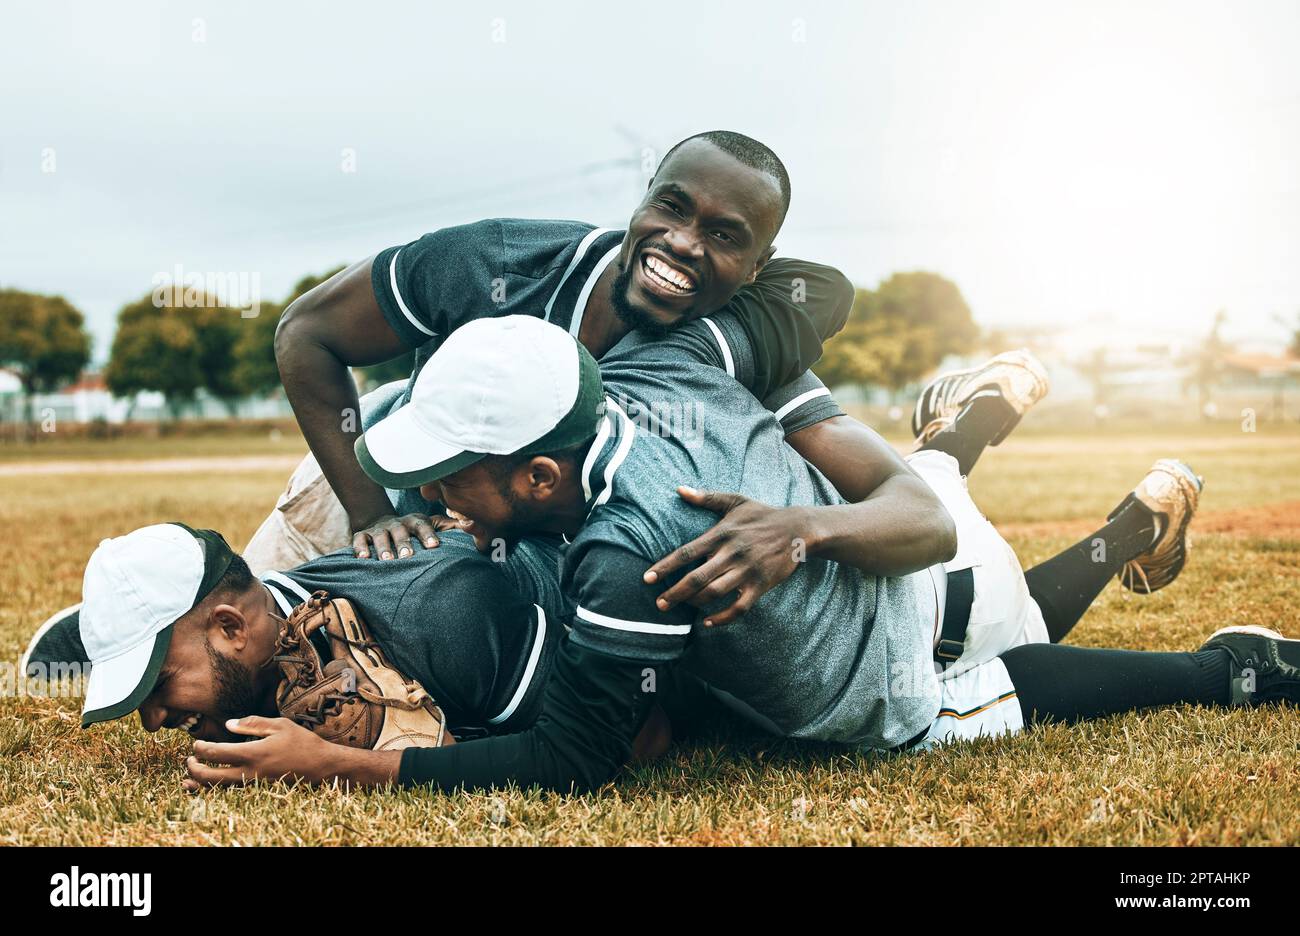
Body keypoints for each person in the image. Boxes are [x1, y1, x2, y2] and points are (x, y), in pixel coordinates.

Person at [174, 314, 1295, 795]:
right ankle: (992, 443)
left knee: (989, 682)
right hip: (899, 530)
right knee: (934, 487)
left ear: (537, 477)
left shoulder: (621, 560)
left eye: (451, 470)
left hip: (920, 633)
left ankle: (1225, 664)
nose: (426, 492)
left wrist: (342, 765)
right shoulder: (666, 377)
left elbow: (573, 761)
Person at [252, 130, 957, 628]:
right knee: (246, 639)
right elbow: (305, 333)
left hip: (487, 555)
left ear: (758, 268)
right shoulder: (499, 262)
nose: (683, 243)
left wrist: (802, 528)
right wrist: (373, 510)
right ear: (644, 201)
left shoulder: (723, 358)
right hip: (373, 472)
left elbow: (921, 517)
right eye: (673, 208)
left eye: (725, 235)